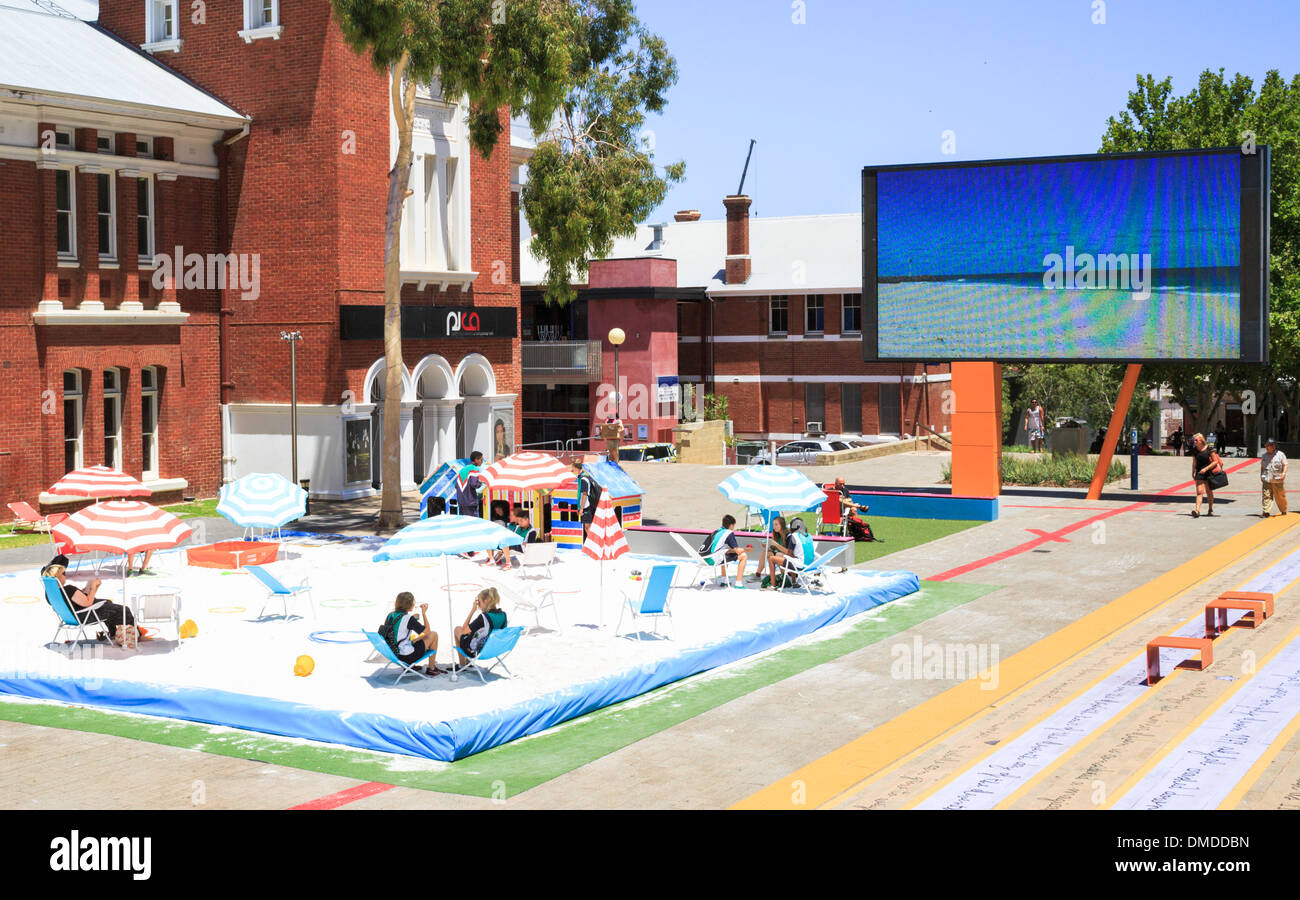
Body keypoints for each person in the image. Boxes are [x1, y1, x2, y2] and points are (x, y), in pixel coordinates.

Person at [42, 555, 141, 647]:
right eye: (63, 574)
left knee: (107, 603)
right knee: (124, 609)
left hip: (70, 617)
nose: (65, 576)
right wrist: (93, 587)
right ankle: (134, 635)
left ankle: (113, 632)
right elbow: (88, 603)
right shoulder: (68, 589)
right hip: (84, 616)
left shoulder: (50, 594)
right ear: (58, 577)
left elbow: (70, 601)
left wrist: (83, 592)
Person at [379, 591, 439, 676]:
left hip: (394, 654)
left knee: (415, 639)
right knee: (434, 634)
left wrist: (413, 620)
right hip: (407, 656)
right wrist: (424, 613)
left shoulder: (390, 615)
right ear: (410, 604)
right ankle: (431, 668)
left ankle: (410, 667)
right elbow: (427, 631)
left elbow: (397, 629)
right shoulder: (408, 618)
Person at [452, 587, 507, 668]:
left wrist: (473, 610)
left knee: (458, 629)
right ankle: (468, 662)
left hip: (477, 650)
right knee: (475, 632)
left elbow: (464, 630)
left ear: (486, 601)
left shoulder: (484, 617)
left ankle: (462, 664)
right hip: (494, 649)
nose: (479, 605)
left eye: (479, 602)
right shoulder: (503, 615)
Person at [700, 514, 749, 588]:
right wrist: (746, 549)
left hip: (702, 558)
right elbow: (737, 551)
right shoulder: (729, 533)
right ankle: (738, 583)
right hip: (712, 560)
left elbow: (722, 550)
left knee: (725, 554)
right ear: (732, 525)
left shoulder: (716, 531)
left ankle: (724, 581)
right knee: (744, 556)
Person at [833, 476, 876, 542]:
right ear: (835, 483)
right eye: (840, 484)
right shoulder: (830, 491)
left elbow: (850, 501)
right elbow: (838, 501)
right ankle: (859, 507)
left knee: (853, 509)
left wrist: (852, 505)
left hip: (844, 510)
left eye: (843, 484)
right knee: (840, 500)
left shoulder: (845, 490)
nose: (842, 486)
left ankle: (855, 531)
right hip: (834, 512)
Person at [1191, 432, 1222, 518]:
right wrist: (1193, 472)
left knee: (1209, 492)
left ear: (1201, 440)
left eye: (1196, 440)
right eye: (1194, 440)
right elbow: (1194, 462)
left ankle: (1210, 509)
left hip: (1208, 473)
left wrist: (1206, 469)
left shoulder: (1209, 449)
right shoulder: (1194, 450)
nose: (1194, 441)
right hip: (1199, 473)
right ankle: (1197, 511)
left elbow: (1215, 461)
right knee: (1199, 492)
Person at [759, 515, 792, 588]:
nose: (774, 527)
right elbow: (773, 548)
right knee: (766, 553)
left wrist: (776, 545)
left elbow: (788, 552)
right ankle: (758, 574)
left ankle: (784, 576)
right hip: (779, 556)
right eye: (773, 525)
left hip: (789, 558)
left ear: (782, 525)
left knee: (778, 554)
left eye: (776, 524)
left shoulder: (788, 536)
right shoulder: (777, 535)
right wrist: (766, 546)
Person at [1261, 438, 1289, 517]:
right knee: (1266, 495)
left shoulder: (1281, 454)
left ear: (1273, 446)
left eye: (1268, 445)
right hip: (1267, 479)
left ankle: (1283, 510)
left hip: (1277, 479)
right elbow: (1262, 466)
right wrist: (1261, 475)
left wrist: (1284, 473)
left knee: (1280, 496)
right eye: (1266, 445)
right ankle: (1266, 512)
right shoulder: (1264, 455)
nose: (1266, 447)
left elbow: (1285, 464)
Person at [571, 460, 599, 538]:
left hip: (587, 506)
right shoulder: (583, 477)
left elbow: (584, 494)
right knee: (587, 527)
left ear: (577, 468)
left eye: (573, 467)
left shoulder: (583, 479)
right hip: (585, 506)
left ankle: (592, 545)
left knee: (587, 527)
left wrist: (582, 508)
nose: (572, 469)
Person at [454, 451, 486, 518]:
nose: (482, 461)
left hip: (461, 502)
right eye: (481, 459)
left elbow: (456, 485)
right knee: (472, 523)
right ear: (476, 459)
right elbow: (474, 484)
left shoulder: (463, 469)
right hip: (470, 502)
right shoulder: (474, 469)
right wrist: (480, 481)